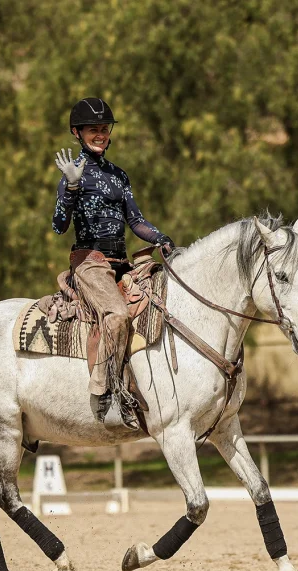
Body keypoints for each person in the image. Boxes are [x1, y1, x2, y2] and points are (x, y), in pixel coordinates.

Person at [52, 97, 175, 429]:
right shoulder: (72, 175)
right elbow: (58, 225)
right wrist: (72, 187)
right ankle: (103, 393)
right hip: (89, 261)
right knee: (118, 314)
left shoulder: (119, 176)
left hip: (121, 261)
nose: (101, 135)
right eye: (94, 130)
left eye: (104, 129)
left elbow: (136, 221)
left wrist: (160, 238)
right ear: (77, 133)